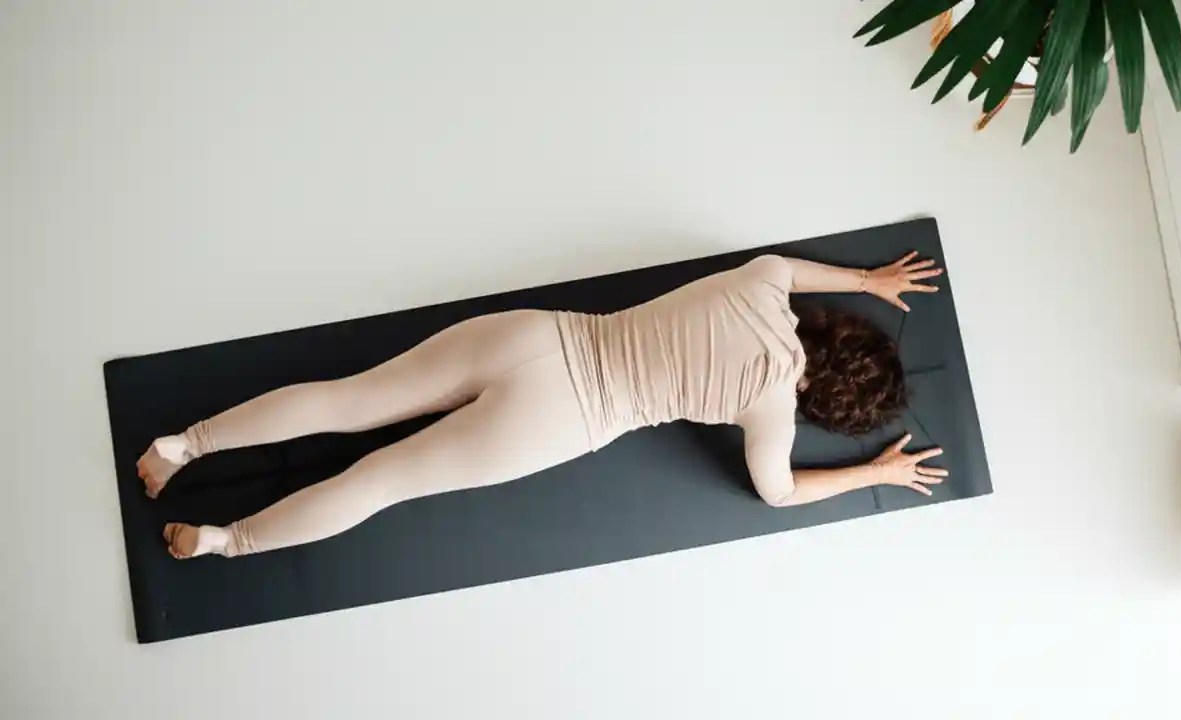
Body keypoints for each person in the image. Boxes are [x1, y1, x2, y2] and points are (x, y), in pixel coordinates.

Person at [141, 252, 948, 559]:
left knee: (348, 401)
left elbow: (795, 268)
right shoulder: (773, 413)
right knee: (383, 480)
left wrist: (868, 280)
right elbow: (775, 492)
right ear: (832, 411)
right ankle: (223, 541)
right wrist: (867, 473)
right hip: (568, 418)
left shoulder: (764, 281)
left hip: (540, 337)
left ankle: (182, 445)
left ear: (838, 331)